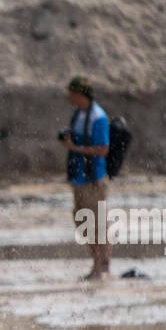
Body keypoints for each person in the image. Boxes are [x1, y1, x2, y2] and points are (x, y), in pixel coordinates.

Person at [60, 75, 112, 280]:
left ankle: (103, 268)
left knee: (98, 224)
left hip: (94, 180)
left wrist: (76, 148)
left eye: (72, 93)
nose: (69, 97)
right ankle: (95, 265)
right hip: (78, 180)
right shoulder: (77, 114)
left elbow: (103, 149)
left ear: (81, 94)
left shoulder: (98, 117)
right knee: (83, 224)